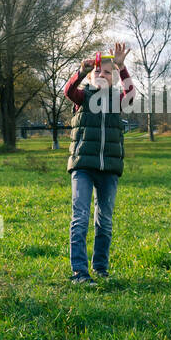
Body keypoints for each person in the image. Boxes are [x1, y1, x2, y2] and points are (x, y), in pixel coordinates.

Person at [63, 41, 135, 285]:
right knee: (80, 218)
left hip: (109, 170)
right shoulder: (83, 97)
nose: (101, 75)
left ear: (113, 78)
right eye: (97, 72)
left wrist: (122, 67)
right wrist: (81, 70)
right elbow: (68, 90)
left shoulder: (117, 101)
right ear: (90, 77)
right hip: (82, 166)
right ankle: (79, 273)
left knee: (104, 222)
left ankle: (101, 269)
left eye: (107, 72)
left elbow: (131, 94)